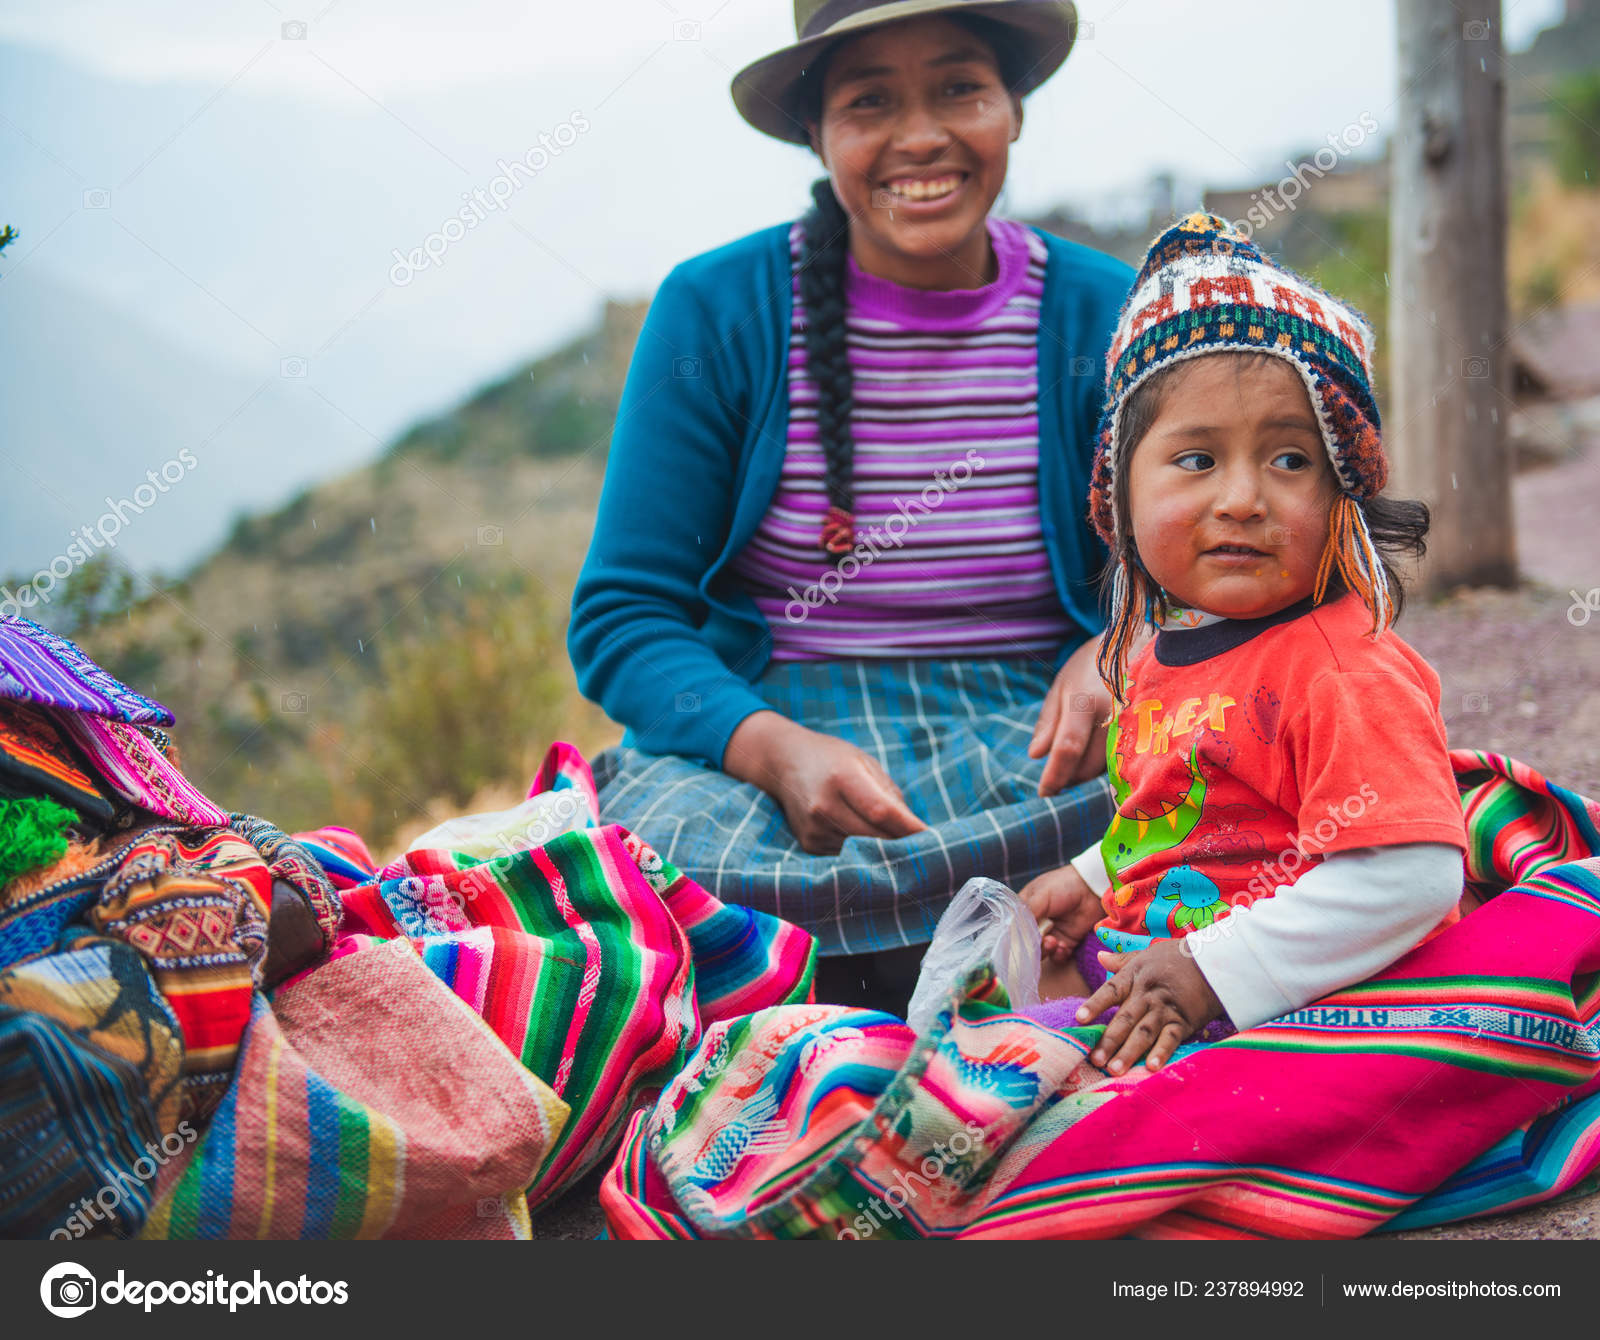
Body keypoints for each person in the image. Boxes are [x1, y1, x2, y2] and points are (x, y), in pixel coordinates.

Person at [567, 0, 1135, 1001]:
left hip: (1037, 738)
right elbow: (624, 614)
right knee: (661, 858)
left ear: (1014, 109)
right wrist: (769, 747)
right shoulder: (720, 310)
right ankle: (970, 977)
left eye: (959, 87)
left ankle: (881, 982)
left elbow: (1206, 558)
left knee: (1212, 779)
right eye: (870, 102)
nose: (921, 136)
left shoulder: (1102, 310)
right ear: (818, 135)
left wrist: (1118, 648)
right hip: (777, 740)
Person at [1021, 212, 1469, 1072]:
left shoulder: (1340, 668)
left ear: (1349, 491)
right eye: (1196, 460)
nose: (1242, 499)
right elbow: (1180, 811)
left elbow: (1411, 879)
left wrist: (1212, 970)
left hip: (1285, 1000)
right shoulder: (1157, 653)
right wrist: (1090, 878)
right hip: (1167, 966)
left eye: (1292, 461)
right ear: (1118, 493)